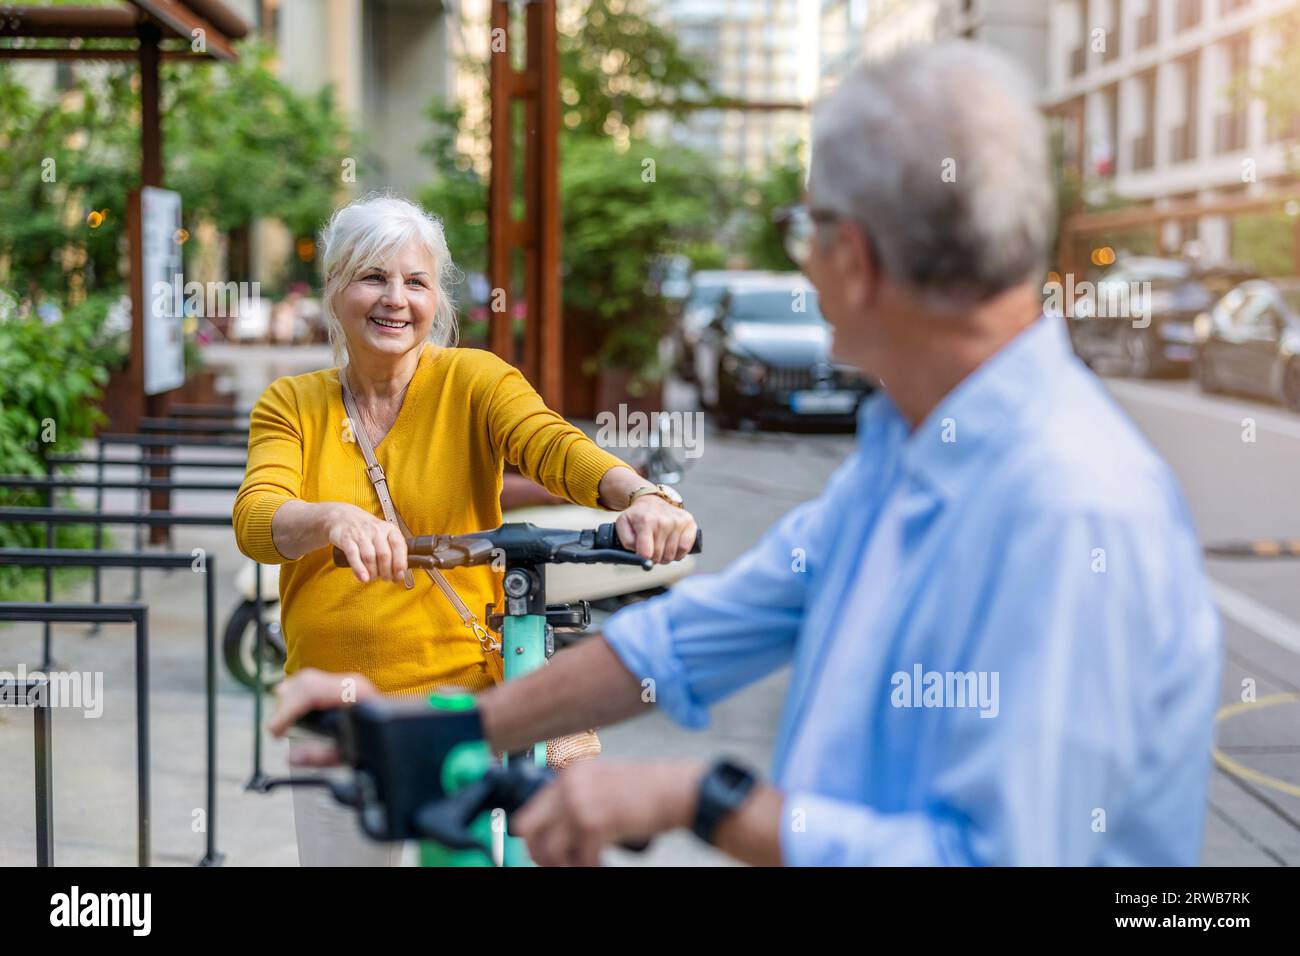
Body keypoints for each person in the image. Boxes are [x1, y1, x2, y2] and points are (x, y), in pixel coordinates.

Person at [272, 43, 1222, 866]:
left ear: (851, 257)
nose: (801, 266)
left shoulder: (1068, 507)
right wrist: (445, 733)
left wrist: (698, 800)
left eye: (803, 233)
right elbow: (704, 633)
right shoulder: (914, 451)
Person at [234, 194, 698, 864]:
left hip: (463, 708)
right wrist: (332, 518)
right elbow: (256, 517)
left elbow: (552, 446)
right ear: (335, 291)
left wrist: (643, 494)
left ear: (436, 301)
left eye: (415, 282)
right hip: (341, 712)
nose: (395, 299)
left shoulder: (473, 381)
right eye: (372, 277)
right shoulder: (292, 404)